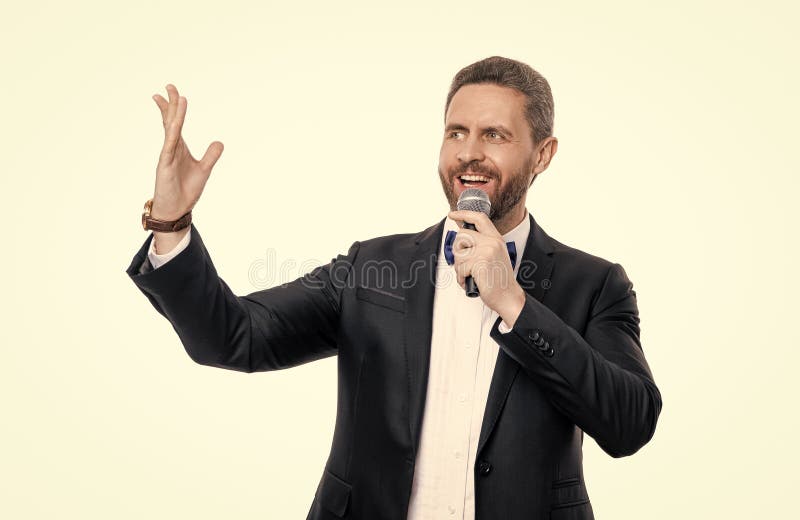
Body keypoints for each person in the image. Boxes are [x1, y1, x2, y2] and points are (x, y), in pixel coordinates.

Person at [126, 56, 662, 520]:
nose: (469, 154)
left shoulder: (594, 285)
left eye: (494, 135)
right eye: (456, 132)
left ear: (542, 155)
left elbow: (630, 424)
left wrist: (516, 305)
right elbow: (234, 337)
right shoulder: (371, 266)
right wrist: (171, 223)